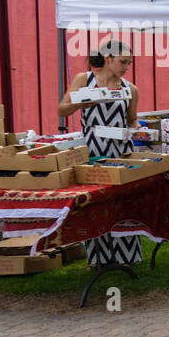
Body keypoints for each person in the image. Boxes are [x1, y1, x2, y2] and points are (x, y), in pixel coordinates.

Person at [58, 40, 141, 268]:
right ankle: (97, 258)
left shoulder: (130, 89)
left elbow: (131, 119)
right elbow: (61, 109)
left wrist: (138, 129)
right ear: (108, 59)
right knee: (95, 202)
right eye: (123, 62)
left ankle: (127, 256)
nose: (126, 67)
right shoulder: (84, 80)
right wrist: (84, 102)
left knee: (123, 201)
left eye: (129, 63)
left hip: (122, 151)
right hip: (94, 149)